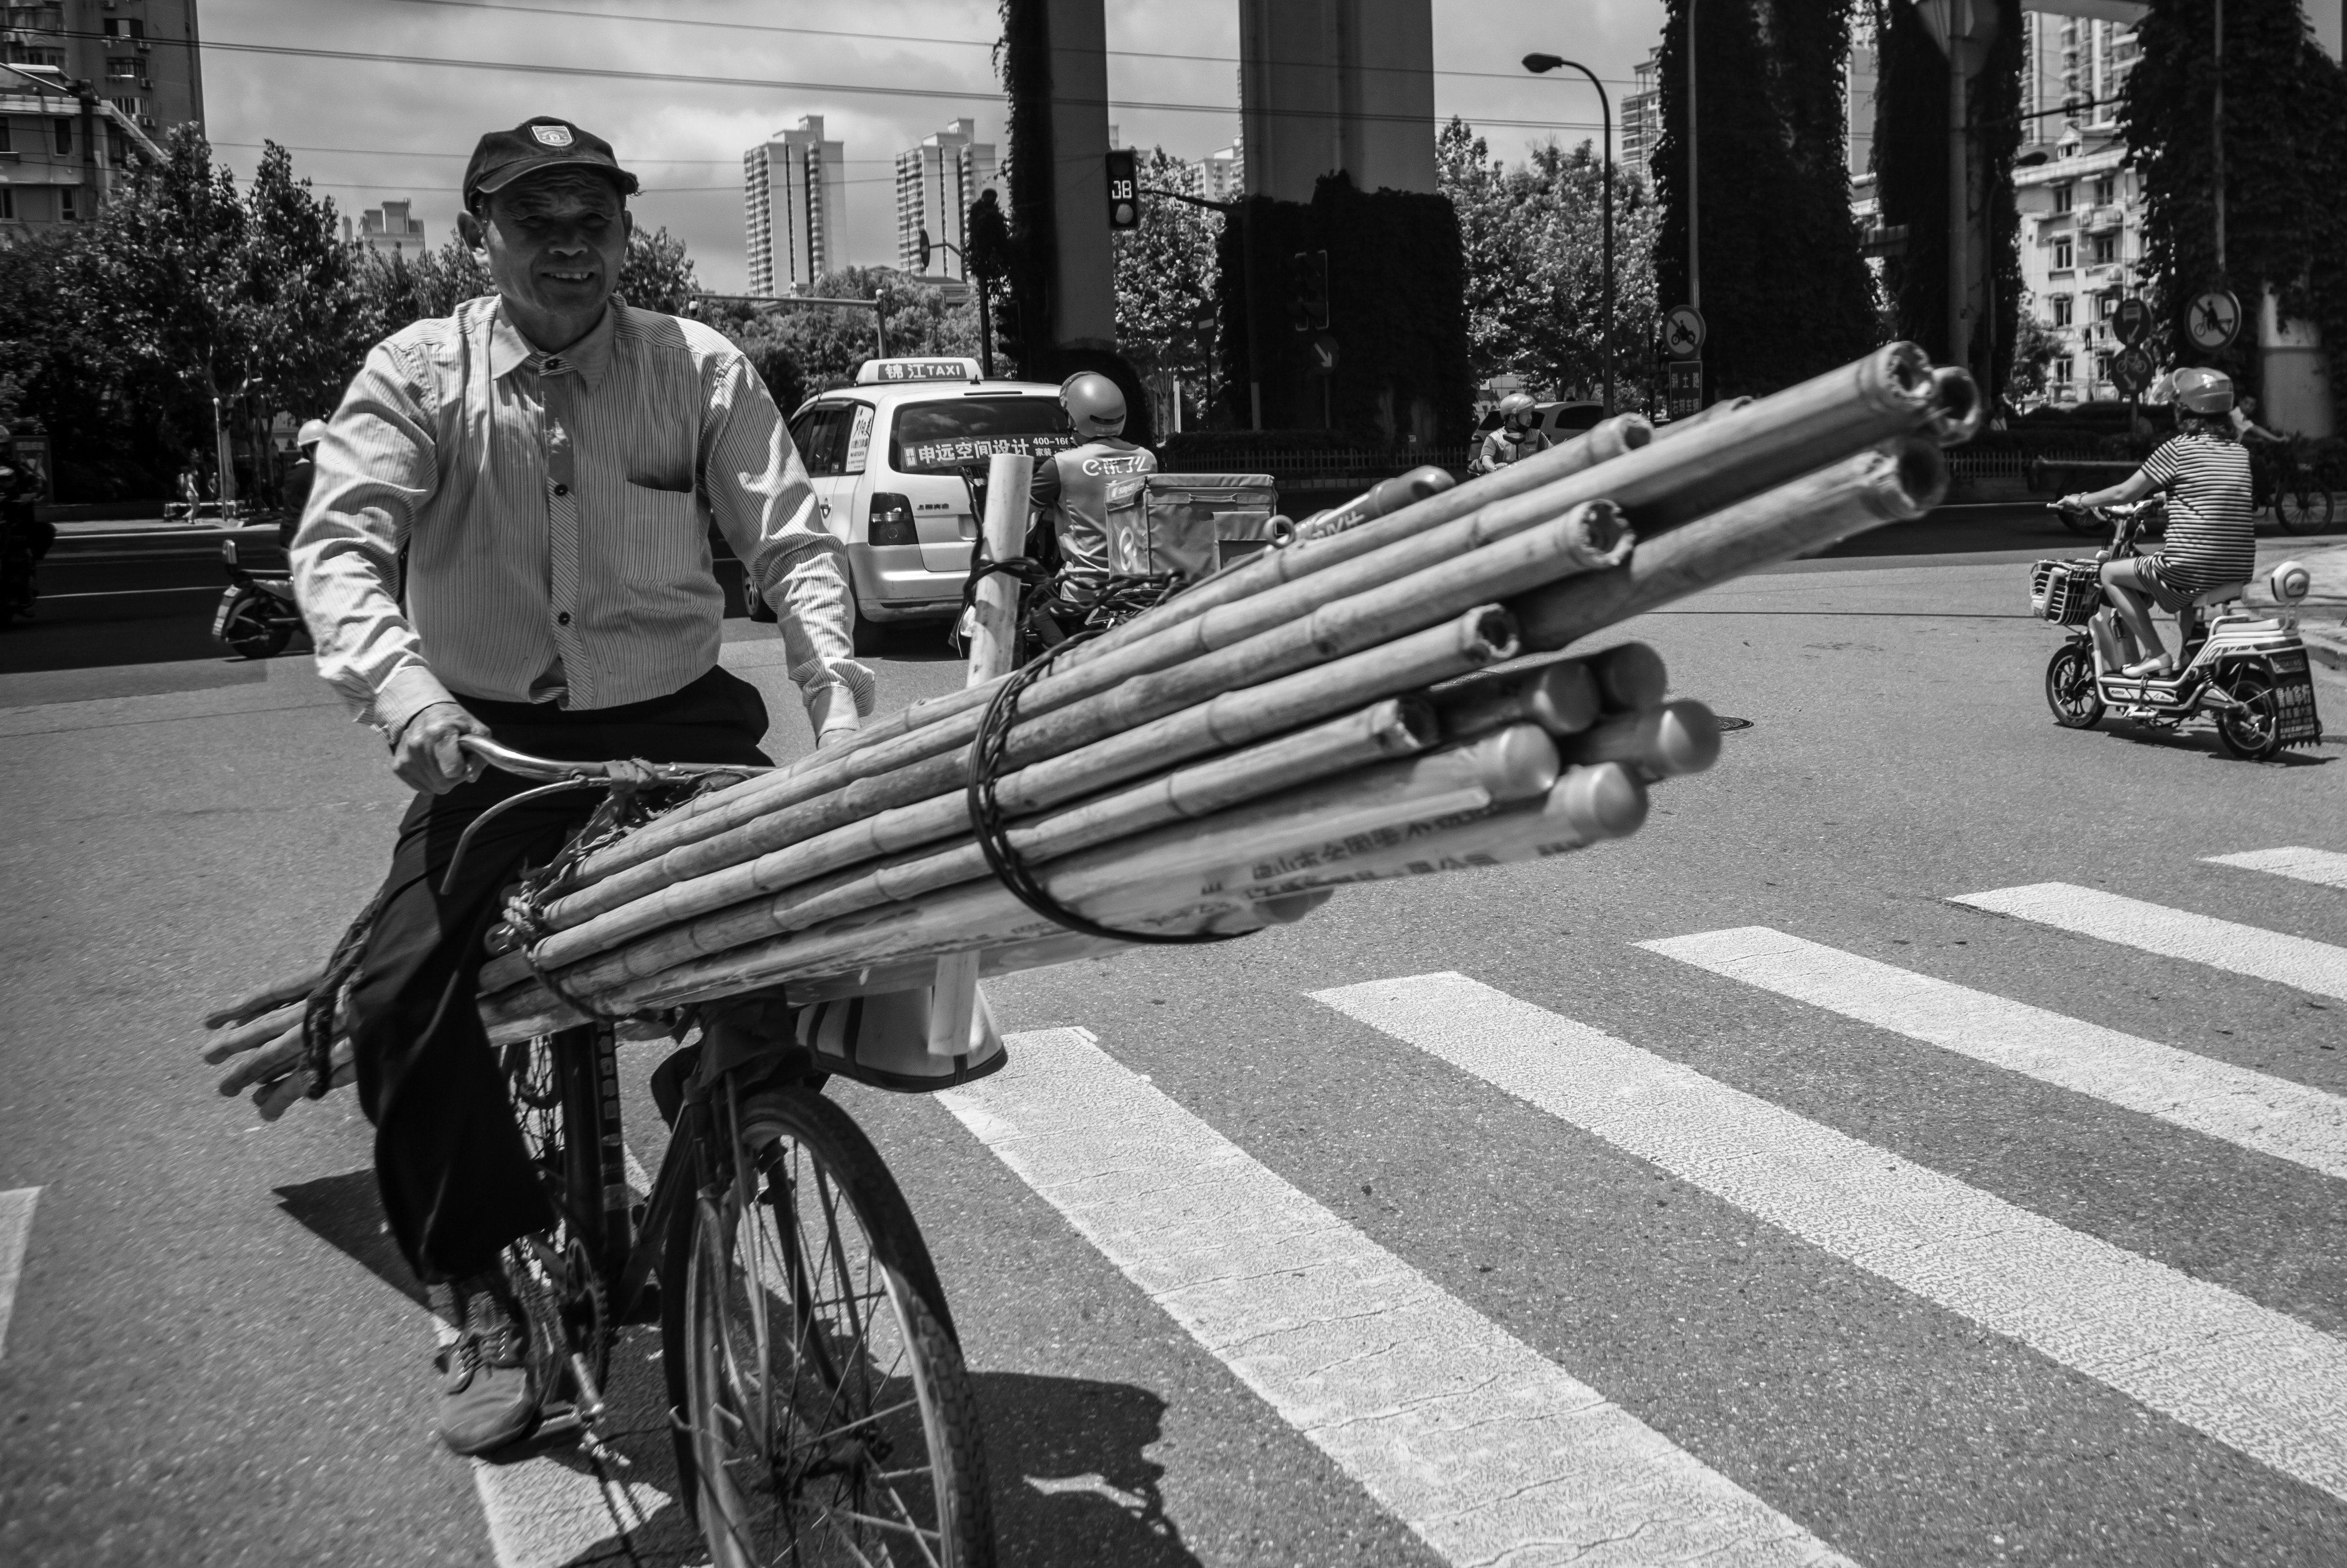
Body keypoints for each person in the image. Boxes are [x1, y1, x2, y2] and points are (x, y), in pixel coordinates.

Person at [290, 115, 872, 1456]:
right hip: (492, 738)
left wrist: (835, 688)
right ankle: (483, 1277)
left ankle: (728, 1082)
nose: (568, 247)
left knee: (811, 912)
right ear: (477, 235)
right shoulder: (417, 373)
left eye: (592, 220)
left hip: (675, 719)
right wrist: (407, 692)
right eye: (534, 221)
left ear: (625, 230)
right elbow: (339, 552)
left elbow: (788, 539)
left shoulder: (697, 365)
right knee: (399, 994)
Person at [2058, 366, 2256, 678]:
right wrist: (2169, 498)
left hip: (2189, 566)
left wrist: (2081, 501)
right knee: (2188, 600)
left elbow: (2124, 491)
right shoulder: (2239, 452)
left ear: (2187, 410)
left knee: (2109, 572)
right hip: (2238, 568)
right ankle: (2191, 666)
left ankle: (2156, 654)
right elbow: (2215, 493)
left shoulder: (2178, 450)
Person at [1028, 370, 1154, 608]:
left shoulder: (1060, 466)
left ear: (1075, 419)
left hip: (1085, 590)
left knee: (1034, 611)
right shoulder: (1147, 460)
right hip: (1138, 585)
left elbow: (1018, 516)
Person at [1470, 392, 1551, 475]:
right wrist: (1495, 469)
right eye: (1526, 414)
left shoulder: (1537, 435)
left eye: (1531, 413)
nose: (1530, 417)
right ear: (1513, 418)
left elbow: (1554, 452)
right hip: (1504, 483)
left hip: (1532, 481)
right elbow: (1486, 460)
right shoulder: (1494, 439)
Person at [278, 418, 327, 550]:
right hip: (307, 537)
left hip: (290, 535)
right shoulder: (314, 472)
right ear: (310, 449)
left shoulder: (295, 470)